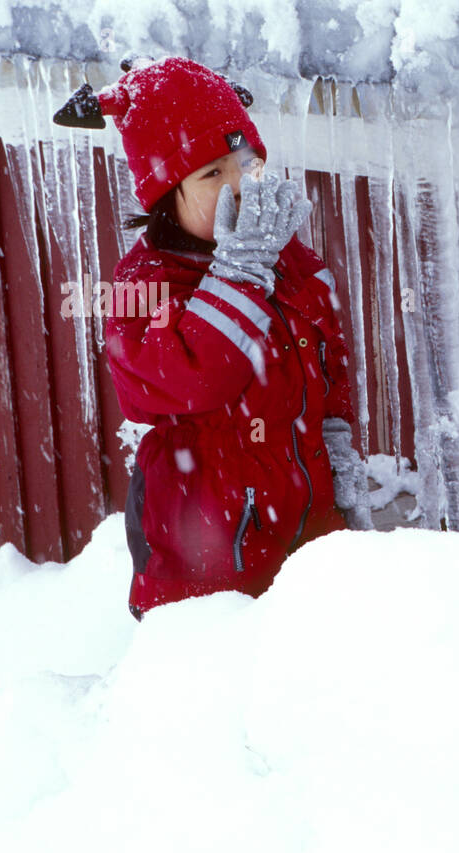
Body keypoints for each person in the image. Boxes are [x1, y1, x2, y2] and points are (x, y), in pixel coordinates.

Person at [54, 56, 363, 619]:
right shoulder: (139, 285)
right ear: (165, 194)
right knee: (212, 684)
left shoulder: (290, 261)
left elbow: (329, 363)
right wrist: (239, 274)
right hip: (204, 542)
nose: (238, 185)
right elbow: (192, 378)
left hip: (308, 528)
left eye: (245, 162)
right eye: (211, 174)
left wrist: (339, 453)